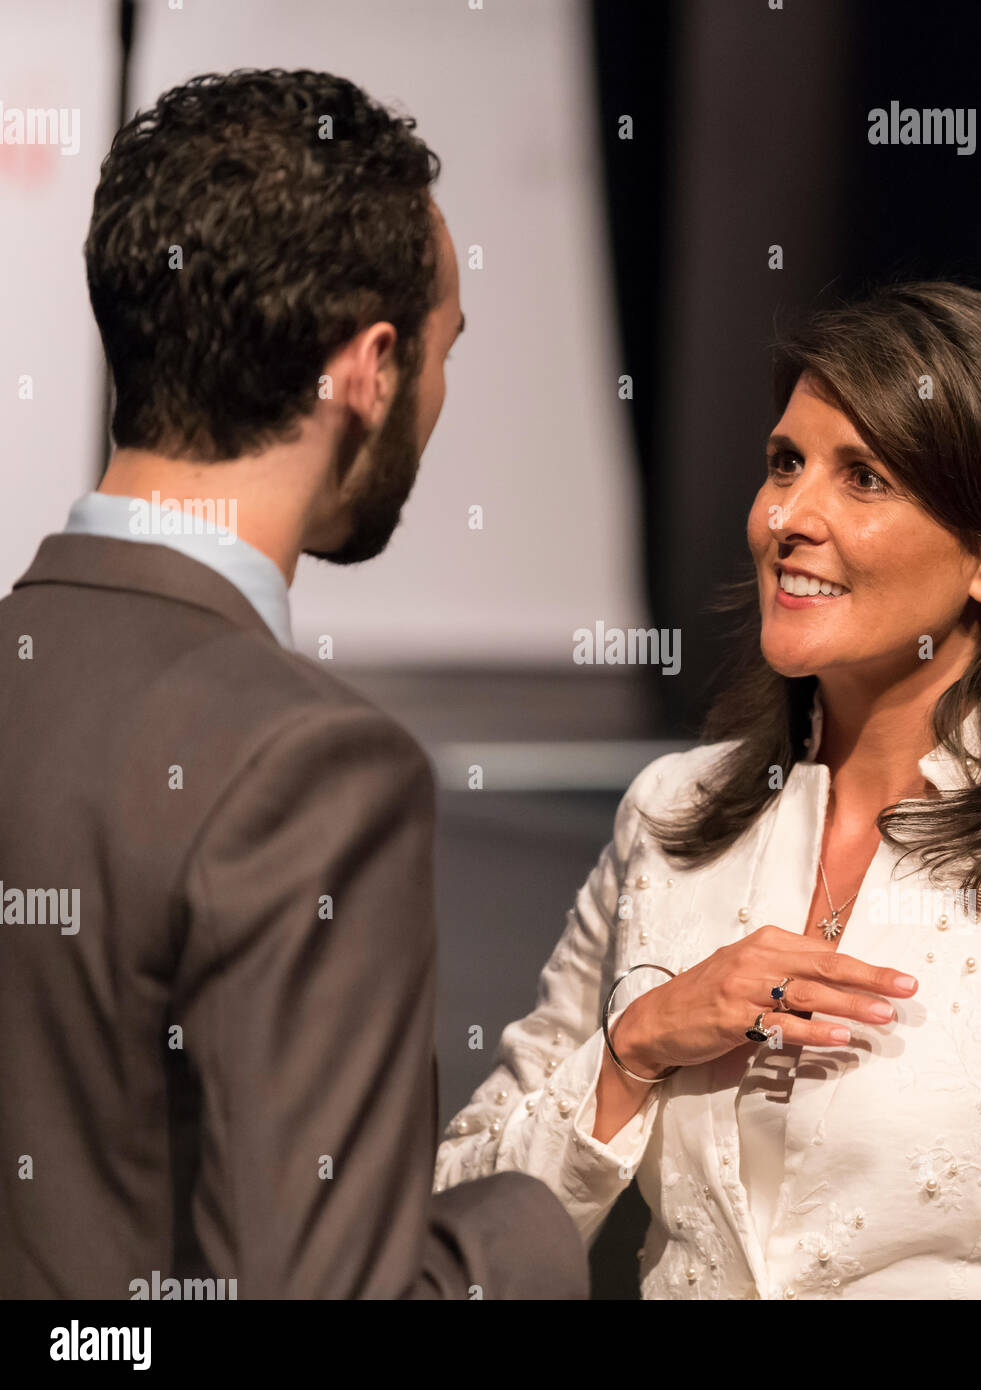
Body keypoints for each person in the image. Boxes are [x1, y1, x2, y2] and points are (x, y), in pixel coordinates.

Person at [436, 281, 981, 1300]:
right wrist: (638, 1041)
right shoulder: (670, 815)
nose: (786, 516)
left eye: (861, 478)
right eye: (785, 464)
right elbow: (461, 1230)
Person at [0, 68, 586, 1300]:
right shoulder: (310, 772)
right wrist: (526, 1233)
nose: (435, 395)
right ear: (367, 367)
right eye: (441, 350)